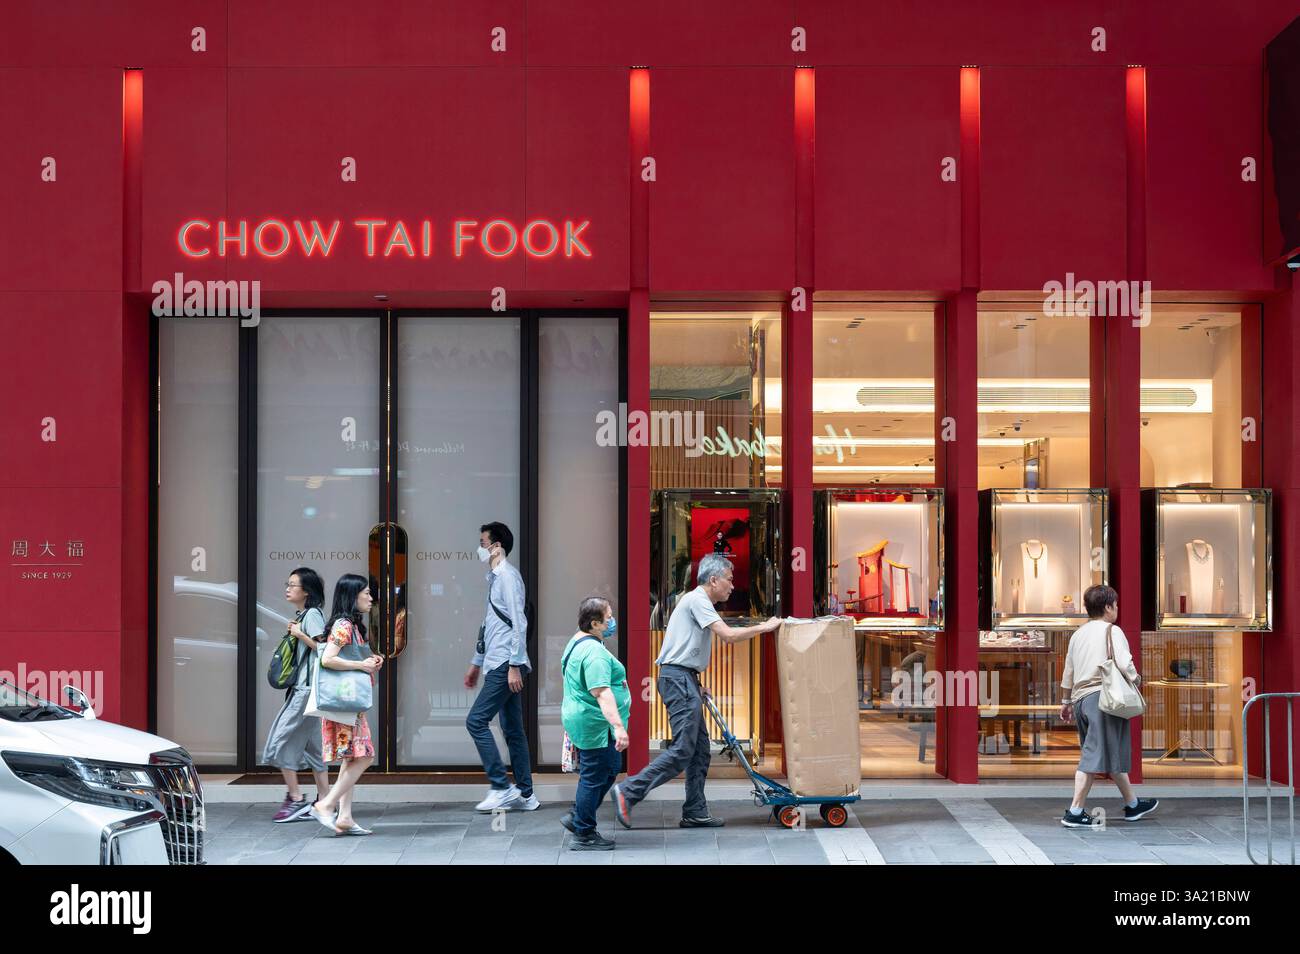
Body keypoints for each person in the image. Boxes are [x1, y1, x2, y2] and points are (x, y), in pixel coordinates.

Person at [610, 553, 781, 829]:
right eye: (729, 579)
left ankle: (695, 811)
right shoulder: (699, 599)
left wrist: (696, 683)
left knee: (700, 750)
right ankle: (628, 792)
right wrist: (765, 626)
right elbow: (728, 636)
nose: (732, 585)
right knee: (682, 750)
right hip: (678, 679)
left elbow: (685, 648)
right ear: (713, 580)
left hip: (683, 678)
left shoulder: (696, 601)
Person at [1058, 584, 1159, 828]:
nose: (1117, 609)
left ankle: (1133, 804)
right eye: (1115, 605)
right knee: (1092, 756)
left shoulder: (1078, 635)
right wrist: (1136, 679)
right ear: (1107, 607)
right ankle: (1075, 811)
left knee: (1106, 750)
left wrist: (1065, 701)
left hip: (1081, 700)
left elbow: (1068, 671)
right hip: (1102, 699)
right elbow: (1125, 663)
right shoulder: (1112, 631)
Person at [463, 521, 537, 812]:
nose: (479, 548)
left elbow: (519, 622)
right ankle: (527, 795)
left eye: (482, 543)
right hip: (497, 661)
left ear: (496, 547)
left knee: (476, 721)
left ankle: (501, 786)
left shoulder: (507, 577)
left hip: (506, 663)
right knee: (513, 729)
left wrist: (515, 664)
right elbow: (490, 626)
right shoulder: (495, 578)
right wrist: (476, 663)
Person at [309, 574, 382, 835]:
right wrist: (361, 664)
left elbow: (346, 657)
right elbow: (328, 659)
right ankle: (326, 804)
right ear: (353, 596)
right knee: (366, 756)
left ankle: (345, 817)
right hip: (344, 705)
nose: (371, 597)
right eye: (366, 593)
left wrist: (369, 660)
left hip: (347, 704)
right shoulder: (344, 625)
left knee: (351, 757)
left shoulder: (351, 625)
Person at [559, 596, 630, 851]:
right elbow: (601, 691)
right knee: (594, 775)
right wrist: (619, 727)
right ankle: (584, 832)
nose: (612, 622)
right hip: (594, 723)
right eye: (608, 618)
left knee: (610, 766)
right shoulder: (594, 653)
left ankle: (577, 816)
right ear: (595, 623)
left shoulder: (578, 641)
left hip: (586, 719)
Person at [263, 567, 331, 822]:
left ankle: (295, 798)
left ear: (306, 591)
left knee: (280, 740)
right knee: (314, 746)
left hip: (305, 691)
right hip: (308, 691)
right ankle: (325, 800)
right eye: (288, 583)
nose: (288, 589)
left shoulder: (312, 615)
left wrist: (300, 634)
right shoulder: (307, 614)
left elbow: (325, 649)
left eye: (293, 585)